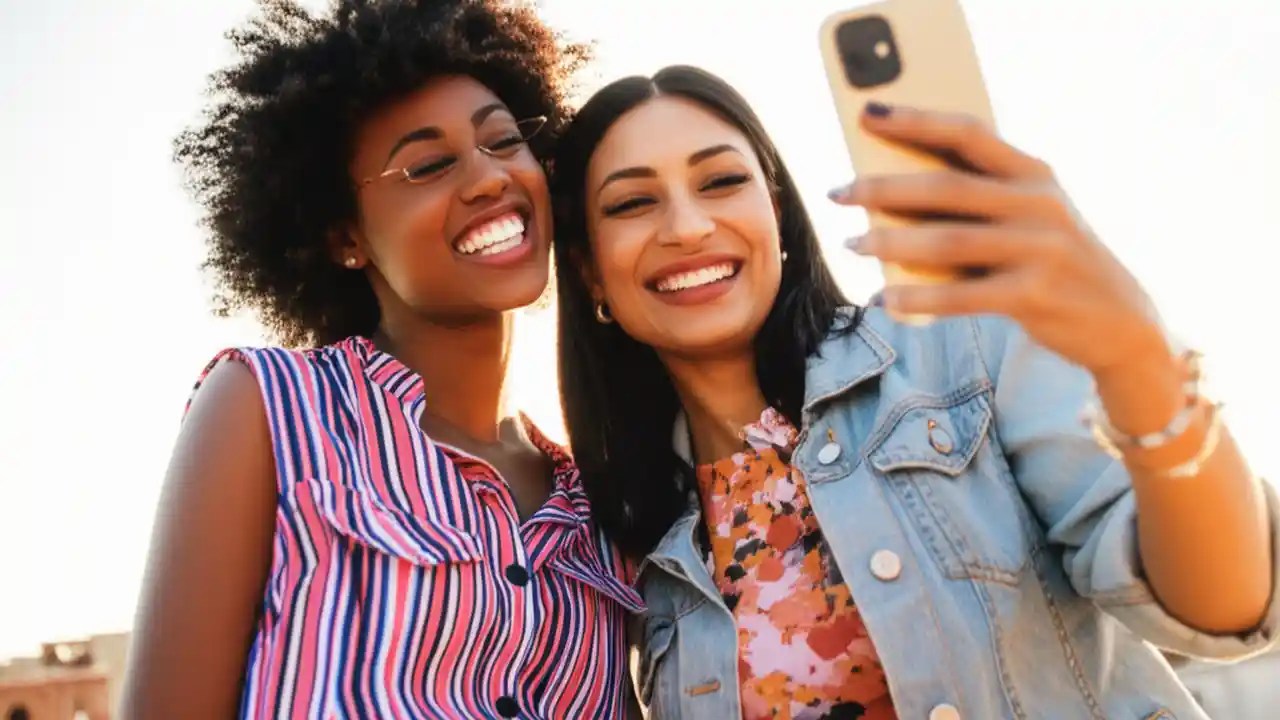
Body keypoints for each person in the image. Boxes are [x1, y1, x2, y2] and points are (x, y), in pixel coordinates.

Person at [551, 65, 1278, 719]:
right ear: (588, 272)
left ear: (775, 215)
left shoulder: (953, 347)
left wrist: (1139, 363)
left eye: (720, 182)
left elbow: (1226, 609)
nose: (687, 225)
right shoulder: (630, 540)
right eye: (632, 203)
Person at [120, 2, 643, 718]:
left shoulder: (601, 502)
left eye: (502, 141)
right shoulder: (267, 409)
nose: (489, 178)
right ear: (344, 238)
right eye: (427, 165)